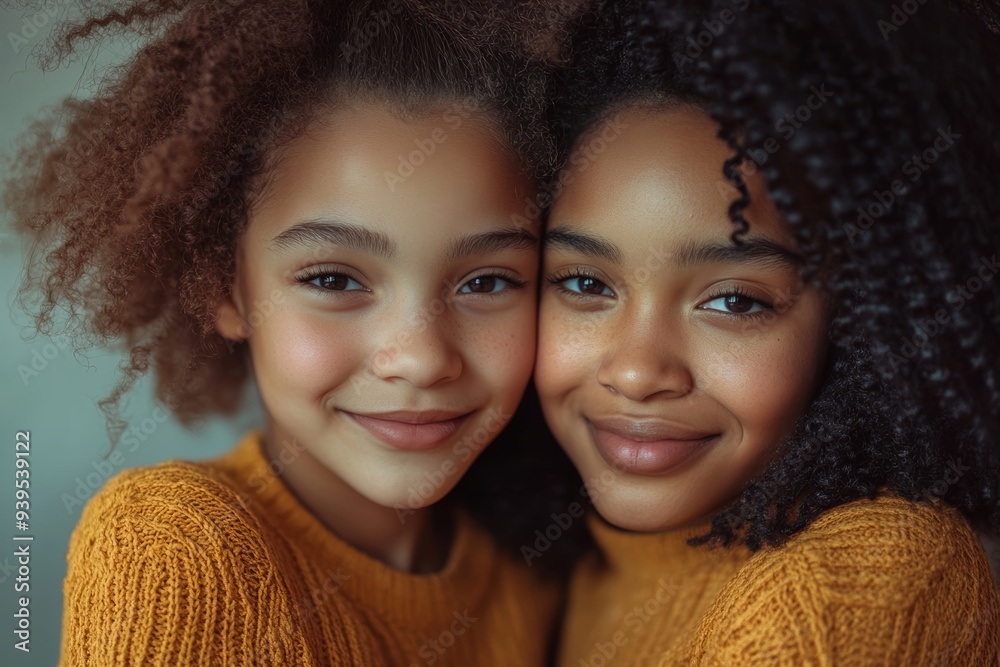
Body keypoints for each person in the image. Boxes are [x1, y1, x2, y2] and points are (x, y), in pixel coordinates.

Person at [7, 0, 576, 664]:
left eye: (487, 282)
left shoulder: (532, 571)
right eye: (334, 280)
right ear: (225, 285)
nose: (421, 358)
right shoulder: (176, 549)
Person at [537, 0, 1000, 664]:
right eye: (586, 284)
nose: (637, 371)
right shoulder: (573, 563)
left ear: (856, 322)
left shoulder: (862, 583)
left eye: (733, 300)